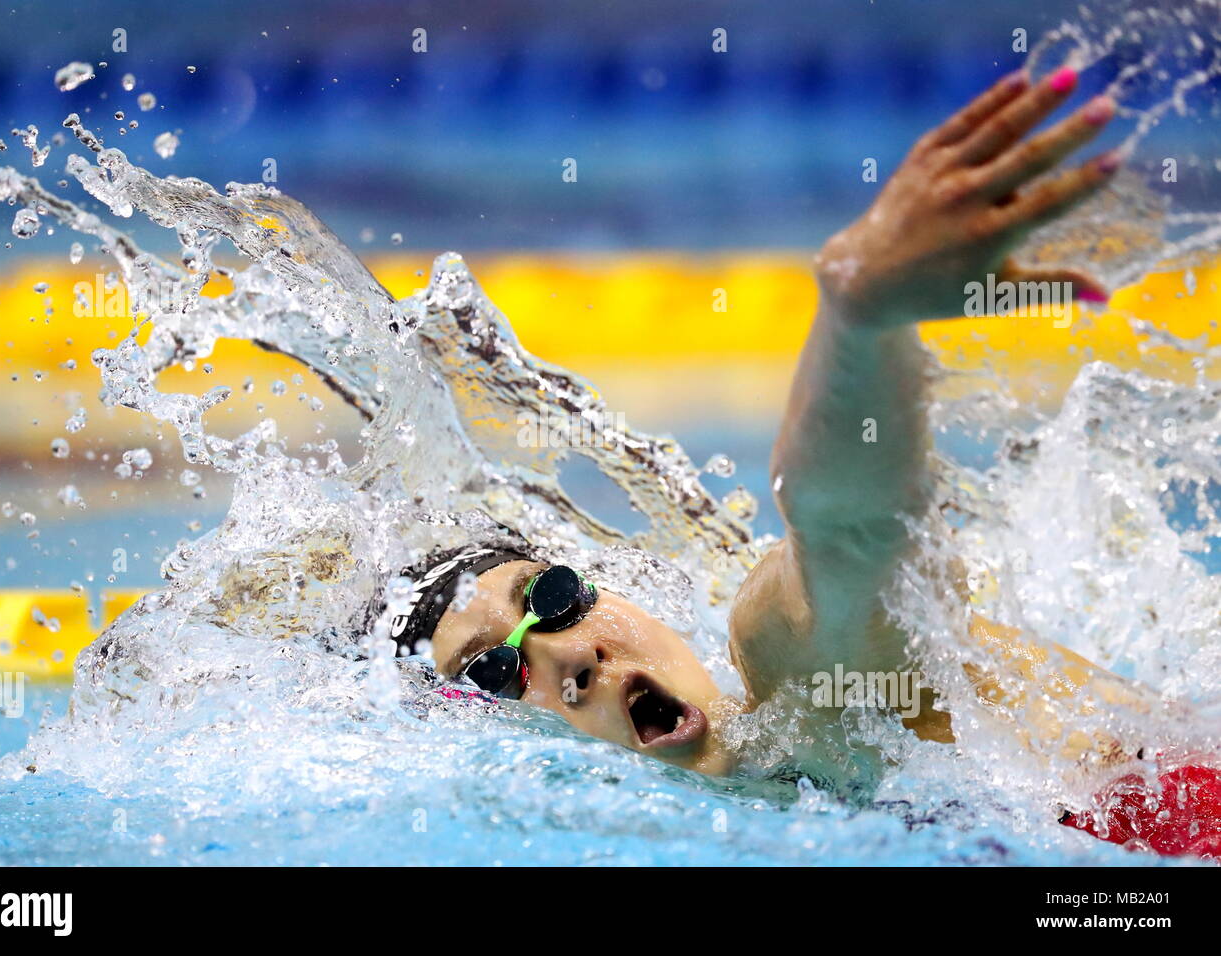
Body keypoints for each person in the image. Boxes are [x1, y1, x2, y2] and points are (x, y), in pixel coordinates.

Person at [373, 68, 1221, 858]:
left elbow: (849, 527)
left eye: (553, 598)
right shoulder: (763, 814)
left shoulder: (799, 677)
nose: (568, 655)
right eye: (493, 671)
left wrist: (859, 314)